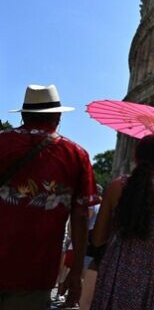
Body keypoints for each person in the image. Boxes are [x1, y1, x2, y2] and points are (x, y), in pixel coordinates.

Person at [0, 84, 96, 310]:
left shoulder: (2, 143)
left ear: (23, 114)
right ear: (58, 117)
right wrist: (75, 272)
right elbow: (81, 216)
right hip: (36, 270)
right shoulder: (75, 155)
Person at [90, 134, 154, 310]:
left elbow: (97, 239)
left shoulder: (115, 187)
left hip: (114, 273)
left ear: (135, 157)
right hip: (153, 278)